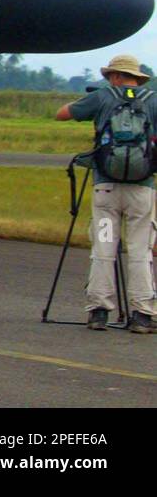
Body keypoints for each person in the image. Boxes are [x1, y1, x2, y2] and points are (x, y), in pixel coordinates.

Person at [55, 54, 156, 334]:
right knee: (140, 250)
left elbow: (62, 113)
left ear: (114, 76)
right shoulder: (152, 100)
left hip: (106, 188)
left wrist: (89, 105)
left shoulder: (103, 97)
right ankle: (143, 315)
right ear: (136, 77)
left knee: (103, 247)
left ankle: (98, 312)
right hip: (142, 190)